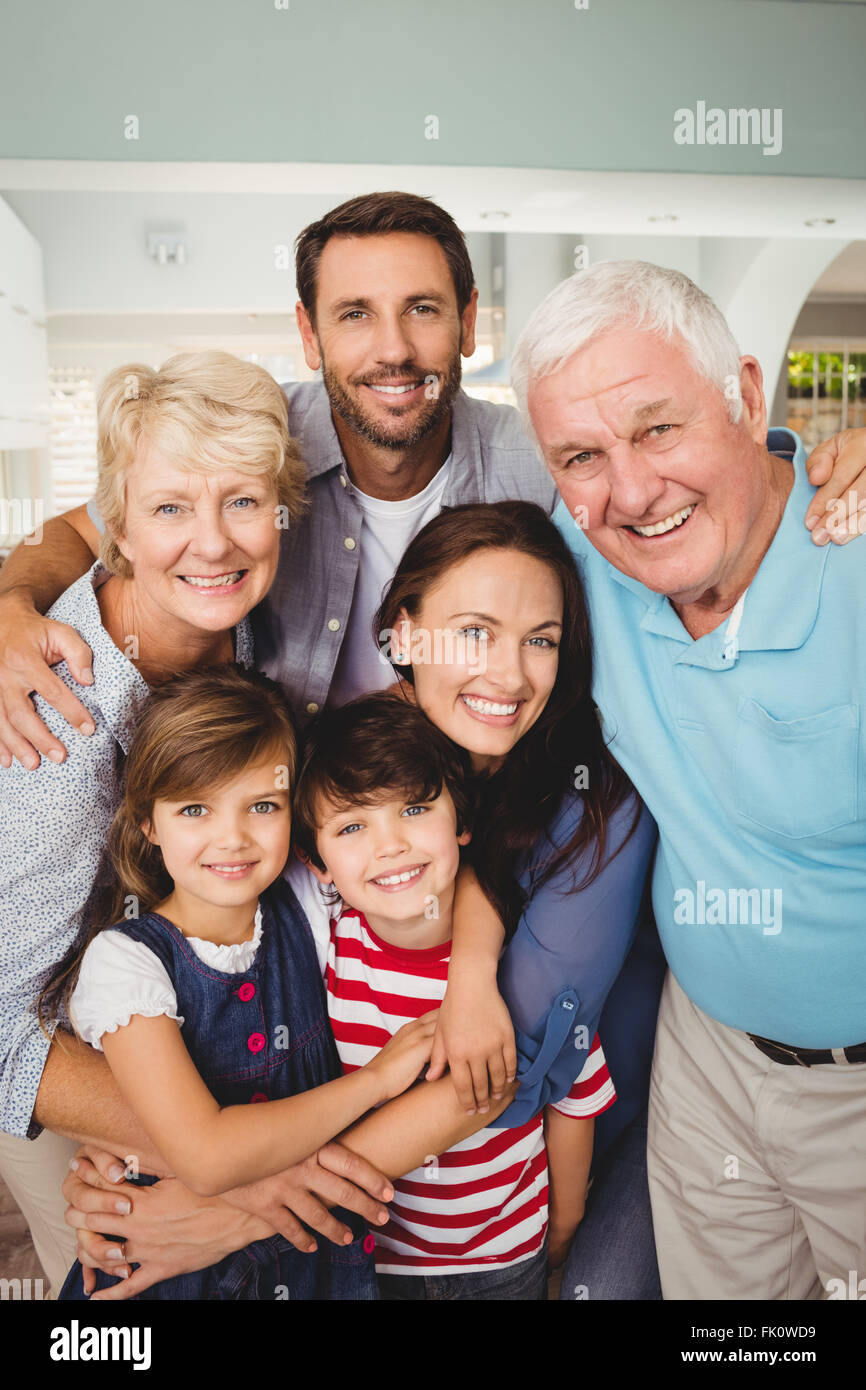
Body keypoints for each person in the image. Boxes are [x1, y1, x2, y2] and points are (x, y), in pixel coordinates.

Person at [0, 192, 862, 767]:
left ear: (468, 321)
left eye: (422, 309)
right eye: (354, 315)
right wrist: (9, 606)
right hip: (287, 821)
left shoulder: (541, 458)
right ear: (309, 334)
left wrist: (809, 461)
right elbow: (84, 530)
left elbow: (668, 488)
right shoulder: (260, 442)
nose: (394, 351)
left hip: (476, 808)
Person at [502, 259, 866, 1300]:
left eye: (658, 429)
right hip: (703, 1054)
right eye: (580, 455)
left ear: (746, 398)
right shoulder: (574, 562)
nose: (629, 490)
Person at [0, 350, 305, 1297]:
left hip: (177, 1030)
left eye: (243, 503)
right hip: (55, 1056)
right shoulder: (59, 724)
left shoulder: (223, 625)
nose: (212, 543)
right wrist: (231, 1154)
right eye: (171, 509)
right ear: (120, 530)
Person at [53, 667, 441, 1301]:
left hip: (313, 1263)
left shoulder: (310, 903)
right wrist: (373, 1083)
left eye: (263, 805)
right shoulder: (126, 963)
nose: (232, 838)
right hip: (177, 1274)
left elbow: (455, 880)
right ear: (148, 822)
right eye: (195, 809)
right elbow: (207, 1155)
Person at [292, 691, 617, 1300]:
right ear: (318, 864)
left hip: (504, 1255)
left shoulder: (517, 958)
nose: (390, 846)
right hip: (367, 1260)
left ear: (463, 822)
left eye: (415, 810)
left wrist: (566, 1224)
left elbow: (574, 1093)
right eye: (353, 826)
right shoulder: (327, 952)